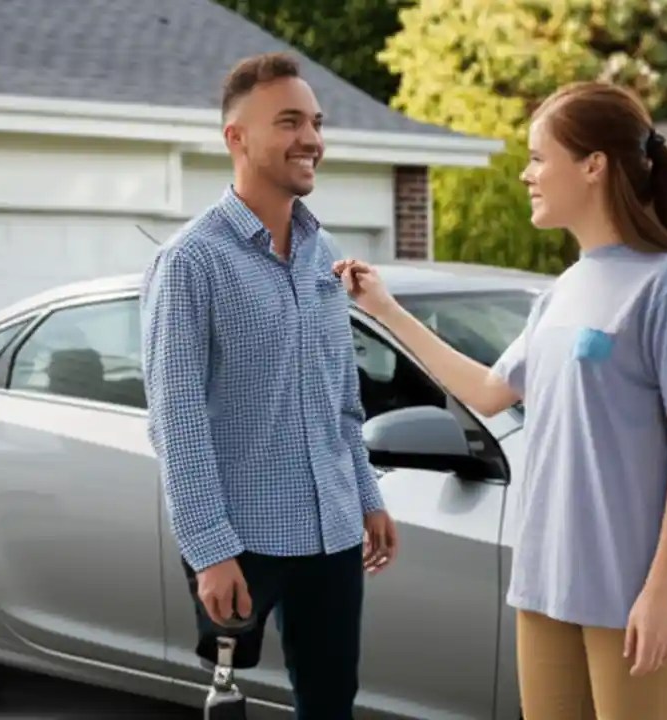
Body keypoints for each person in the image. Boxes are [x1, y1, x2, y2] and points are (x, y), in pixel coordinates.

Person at [334, 80, 667, 719]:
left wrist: (660, 591)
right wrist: (384, 309)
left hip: (628, 589)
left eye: (539, 157)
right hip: (544, 581)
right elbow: (491, 393)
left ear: (593, 166)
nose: (527, 175)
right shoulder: (563, 290)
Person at [139, 52, 398, 719]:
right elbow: (176, 416)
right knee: (226, 706)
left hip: (334, 532)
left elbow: (342, 398)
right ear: (237, 138)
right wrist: (210, 551)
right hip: (242, 538)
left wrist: (366, 496)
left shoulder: (320, 252)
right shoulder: (191, 262)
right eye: (289, 121)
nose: (311, 138)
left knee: (332, 702)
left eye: (315, 122)